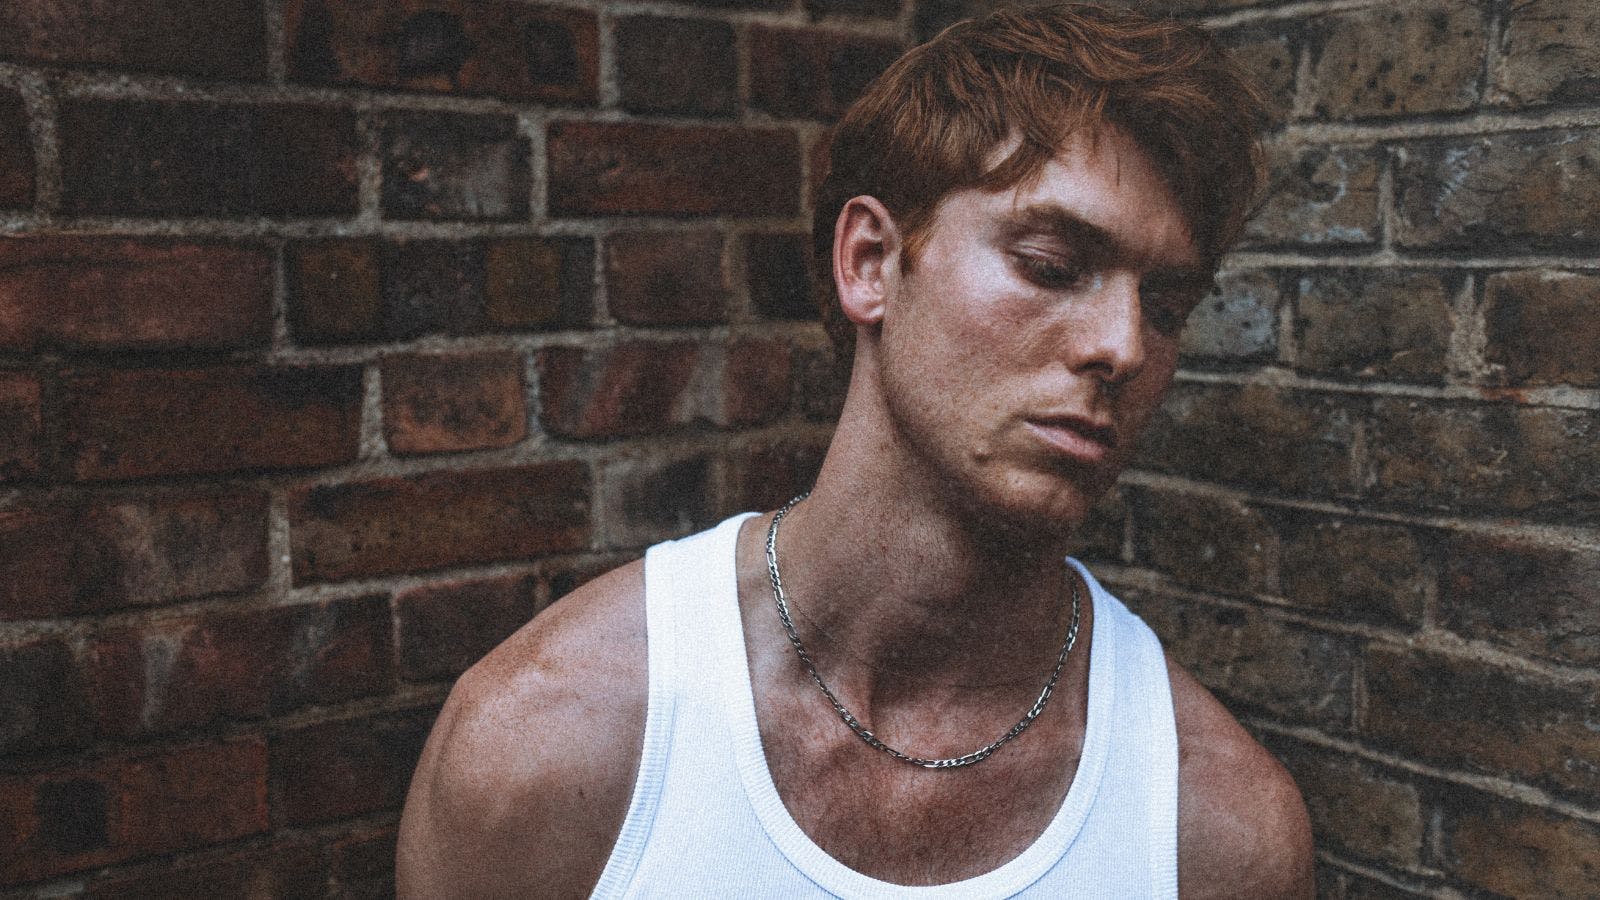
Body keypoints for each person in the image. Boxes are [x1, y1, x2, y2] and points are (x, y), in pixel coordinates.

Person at [397, 4, 1314, 896]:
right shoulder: (551, 747)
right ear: (871, 262)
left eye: (1167, 308)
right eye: (1051, 266)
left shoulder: (1216, 830)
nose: (1125, 345)